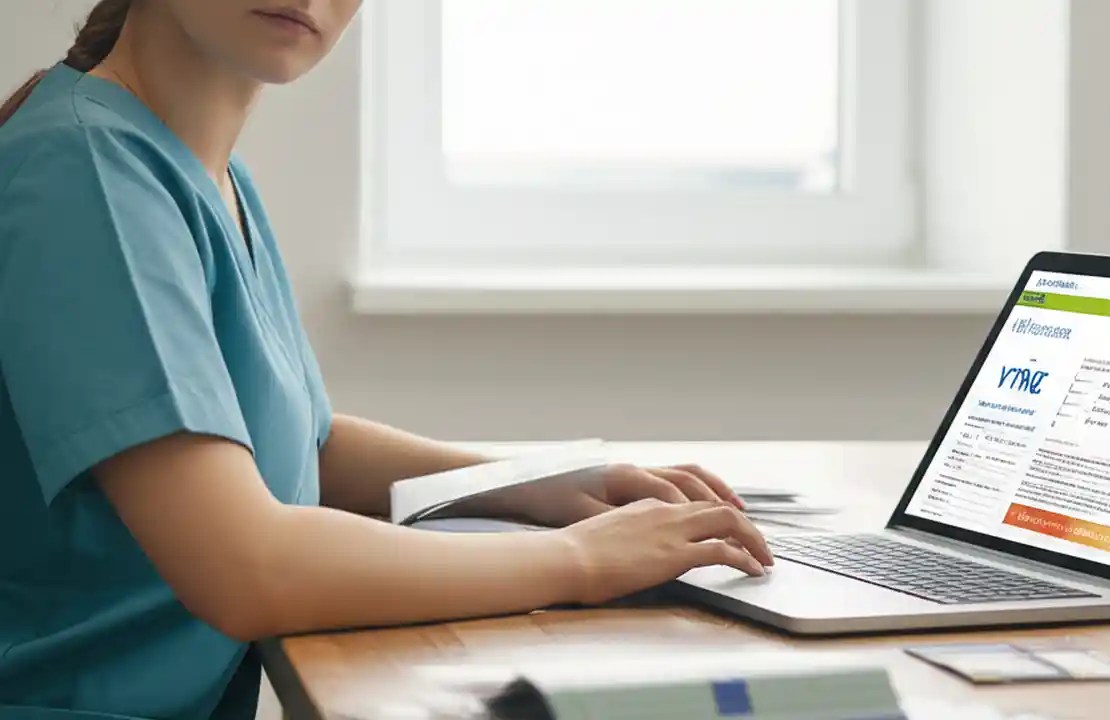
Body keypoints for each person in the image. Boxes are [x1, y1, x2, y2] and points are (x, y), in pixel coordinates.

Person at [0, 2, 774, 718]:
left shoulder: (202, 172)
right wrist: (577, 559)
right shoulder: (85, 173)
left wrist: (528, 483)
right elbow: (248, 567)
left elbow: (302, 441)